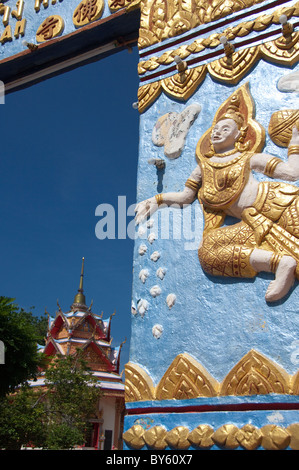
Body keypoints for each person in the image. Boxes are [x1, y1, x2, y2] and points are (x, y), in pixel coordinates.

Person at [135, 84, 299, 302]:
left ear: (240, 135)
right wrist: (157, 199)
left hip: (283, 205)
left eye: (225, 129)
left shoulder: (249, 158)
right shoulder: (203, 167)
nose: (217, 132)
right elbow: (185, 197)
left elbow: (292, 172)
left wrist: (294, 143)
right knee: (208, 254)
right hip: (253, 223)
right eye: (215, 128)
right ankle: (280, 263)